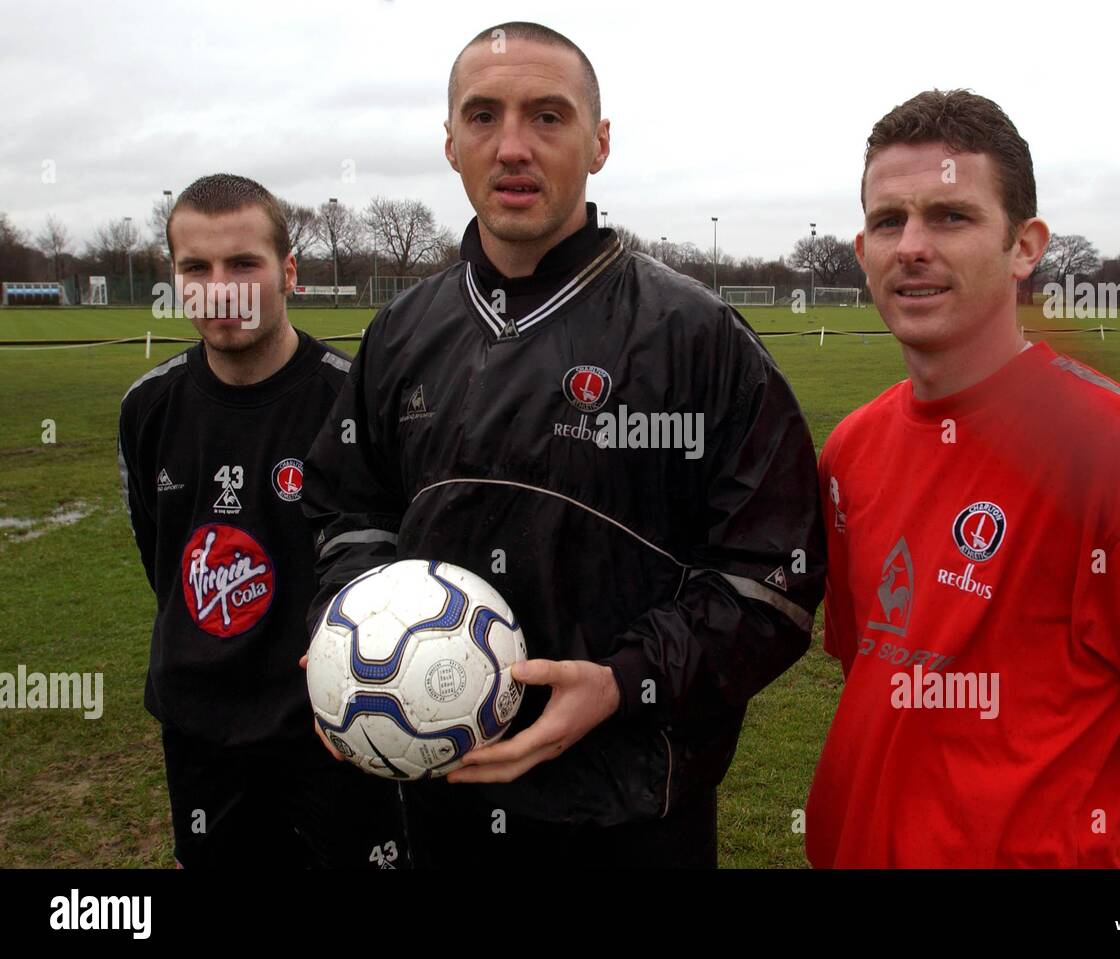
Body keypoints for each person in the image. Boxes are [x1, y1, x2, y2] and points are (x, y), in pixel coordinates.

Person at [301, 22, 825, 868]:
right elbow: (346, 508)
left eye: (548, 116)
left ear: (600, 142)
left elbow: (773, 578)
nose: (513, 147)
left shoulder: (696, 336)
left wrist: (623, 681)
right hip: (437, 790)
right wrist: (359, 624)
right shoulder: (400, 333)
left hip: (627, 809)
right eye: (483, 117)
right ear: (449, 143)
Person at [805, 89, 1120, 868]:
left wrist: (1056, 816)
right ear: (861, 247)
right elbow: (874, 662)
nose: (912, 245)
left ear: (1025, 246)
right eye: (888, 220)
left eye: (952, 216)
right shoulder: (851, 448)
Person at [117, 173, 406, 868]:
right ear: (177, 279)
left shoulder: (351, 401)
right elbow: (156, 553)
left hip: (335, 731)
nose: (222, 287)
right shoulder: (147, 407)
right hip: (201, 734)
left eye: (244, 263)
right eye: (197, 267)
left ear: (289, 271)